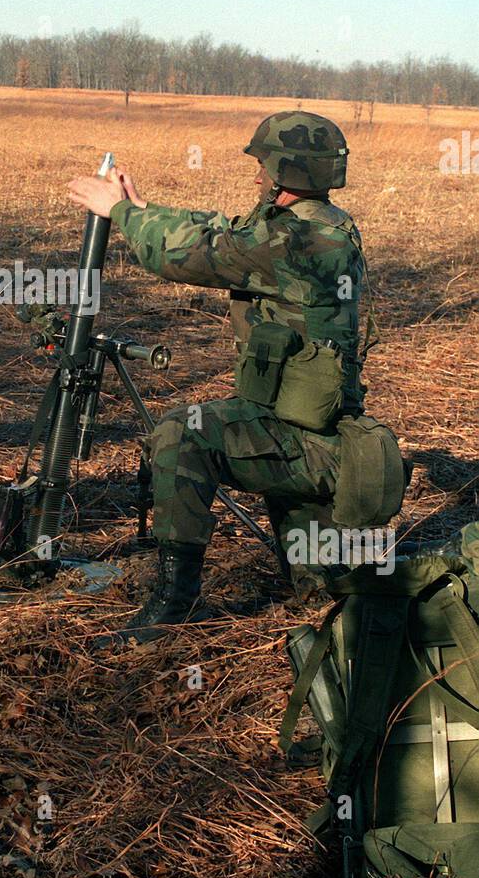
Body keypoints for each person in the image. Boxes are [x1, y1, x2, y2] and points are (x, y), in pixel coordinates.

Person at [68, 111, 403, 643]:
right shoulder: (321, 224)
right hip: (302, 425)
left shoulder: (297, 244)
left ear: (284, 173)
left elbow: (188, 256)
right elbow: (226, 231)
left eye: (263, 167)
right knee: (323, 596)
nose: (256, 178)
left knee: (182, 435)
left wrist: (120, 215)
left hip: (307, 445)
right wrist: (142, 207)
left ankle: (173, 605)